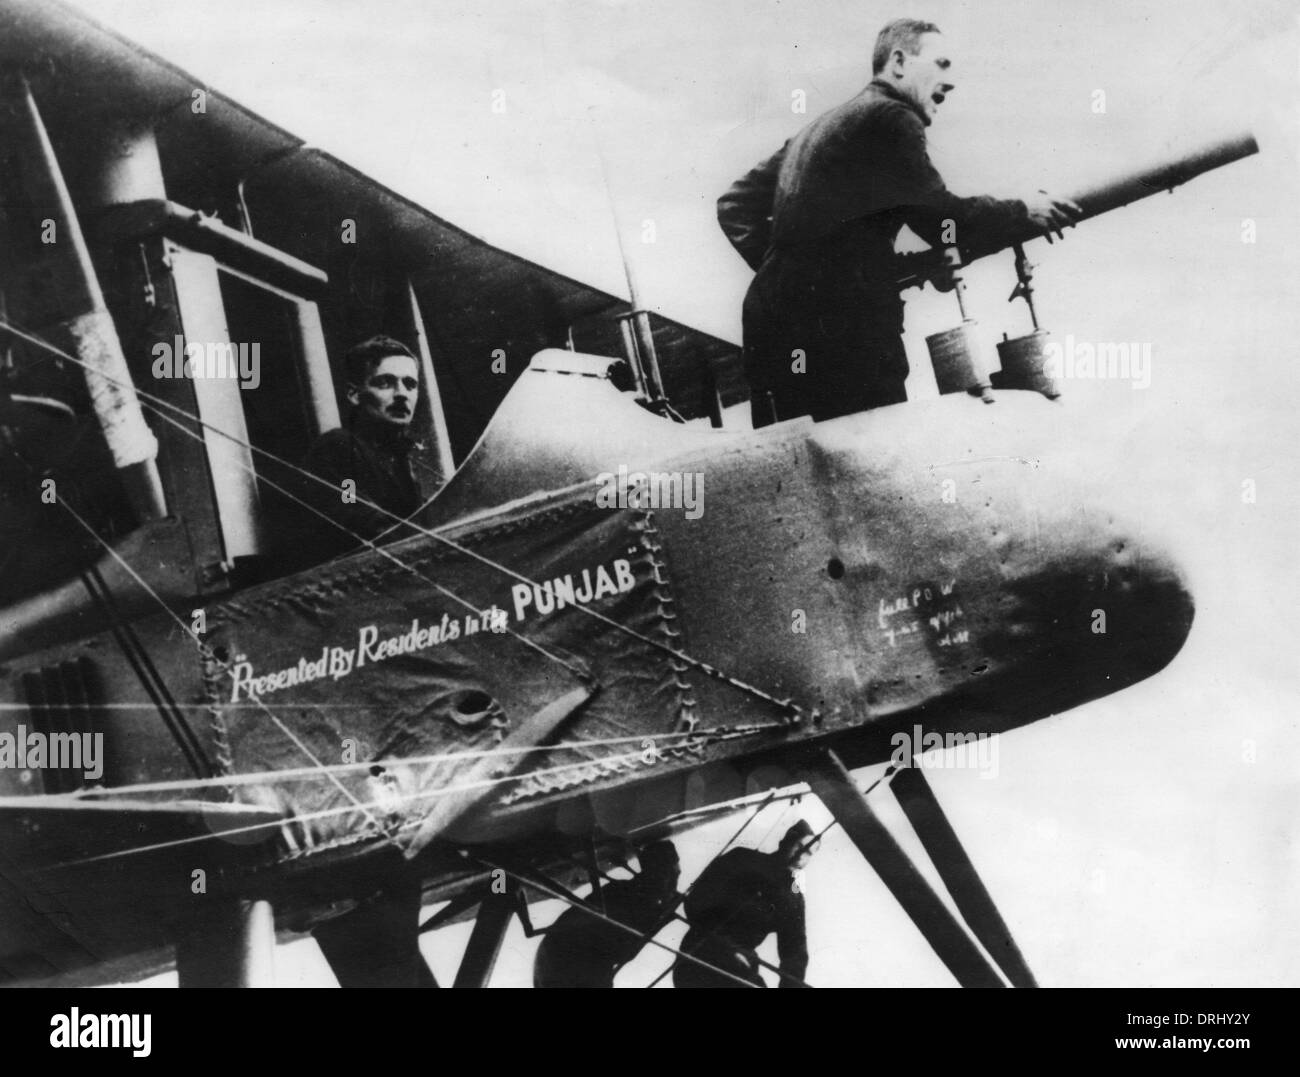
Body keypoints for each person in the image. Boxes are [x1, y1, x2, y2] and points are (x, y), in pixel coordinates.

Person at [721, 18, 1081, 427]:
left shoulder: (820, 128)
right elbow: (940, 218)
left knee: (797, 468)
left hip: (775, 329)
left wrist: (791, 272)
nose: (951, 81)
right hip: (844, 334)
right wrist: (1023, 212)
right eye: (942, 64)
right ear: (898, 62)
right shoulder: (891, 116)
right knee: (868, 458)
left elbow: (734, 206)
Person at [296, 335, 425, 563]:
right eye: (385, 383)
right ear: (354, 394)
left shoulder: (400, 457)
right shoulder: (339, 447)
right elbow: (353, 514)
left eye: (410, 384)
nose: (402, 394)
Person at [672, 819, 820, 988]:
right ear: (784, 842)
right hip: (701, 952)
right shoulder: (742, 859)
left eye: (808, 852)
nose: (800, 855)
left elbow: (794, 952)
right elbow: (696, 900)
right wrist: (723, 946)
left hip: (742, 964)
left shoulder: (792, 898)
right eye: (798, 846)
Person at [534, 841, 681, 988]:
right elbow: (624, 950)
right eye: (669, 877)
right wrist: (664, 916)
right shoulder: (631, 899)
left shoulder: (623, 892)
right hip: (566, 963)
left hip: (556, 963)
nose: (673, 885)